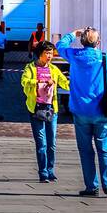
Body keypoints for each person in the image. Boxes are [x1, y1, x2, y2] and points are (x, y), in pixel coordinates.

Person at [56, 28, 107, 197]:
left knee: (85, 150)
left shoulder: (74, 56)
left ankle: (92, 186)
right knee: (104, 148)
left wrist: (72, 34)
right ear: (97, 43)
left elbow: (59, 45)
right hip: (101, 110)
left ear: (81, 41)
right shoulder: (104, 58)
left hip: (80, 110)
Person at [21, 41, 70, 183]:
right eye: (47, 53)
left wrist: (79, 84)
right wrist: (38, 82)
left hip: (51, 110)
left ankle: (50, 170)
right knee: (41, 143)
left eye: (51, 53)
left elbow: (65, 83)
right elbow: (24, 81)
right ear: (40, 54)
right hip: (36, 109)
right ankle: (43, 173)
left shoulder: (54, 69)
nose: (49, 56)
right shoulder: (30, 68)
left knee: (52, 143)